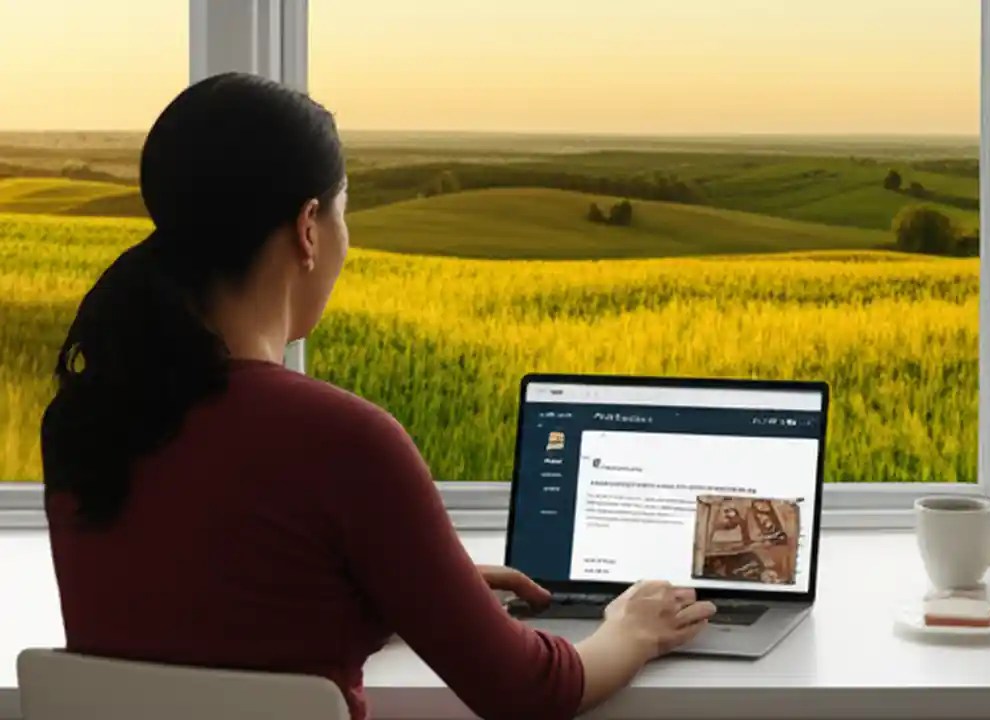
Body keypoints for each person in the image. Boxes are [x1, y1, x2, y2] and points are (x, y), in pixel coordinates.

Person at [39, 72, 715, 720]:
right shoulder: (341, 439)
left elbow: (205, 624)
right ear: (308, 229)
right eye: (342, 216)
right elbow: (529, 691)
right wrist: (632, 630)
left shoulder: (82, 420)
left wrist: (414, 588)